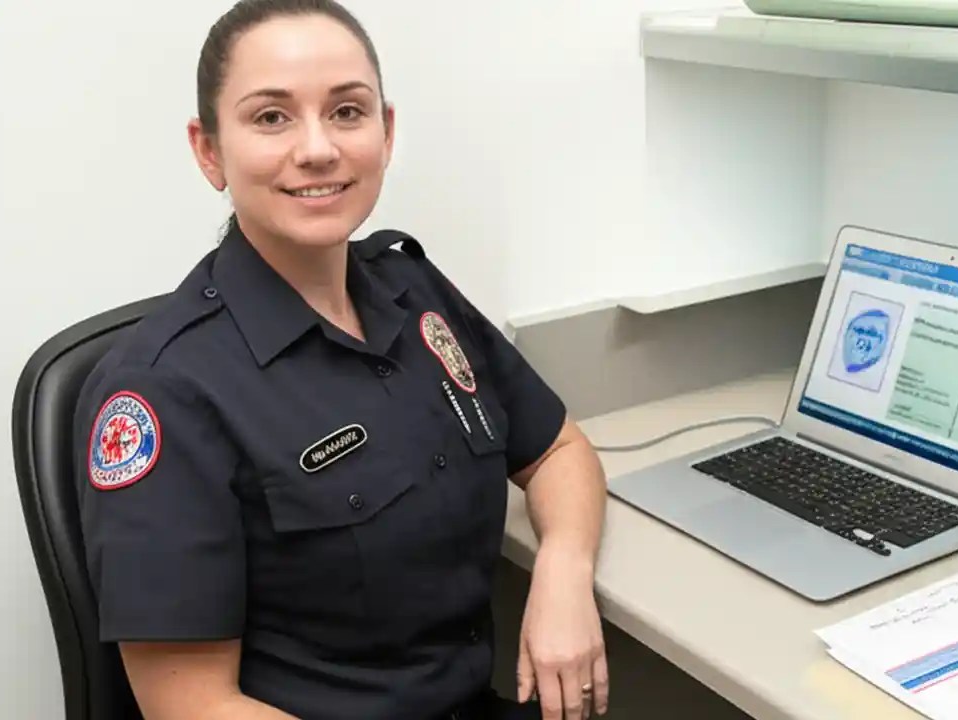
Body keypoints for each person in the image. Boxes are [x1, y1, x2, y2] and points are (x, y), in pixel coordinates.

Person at [72, 1, 610, 718]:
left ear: (386, 132)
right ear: (209, 151)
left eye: (347, 112)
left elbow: (559, 449)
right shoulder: (165, 390)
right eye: (272, 117)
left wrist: (564, 571)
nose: (319, 148)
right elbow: (189, 705)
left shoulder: (413, 290)